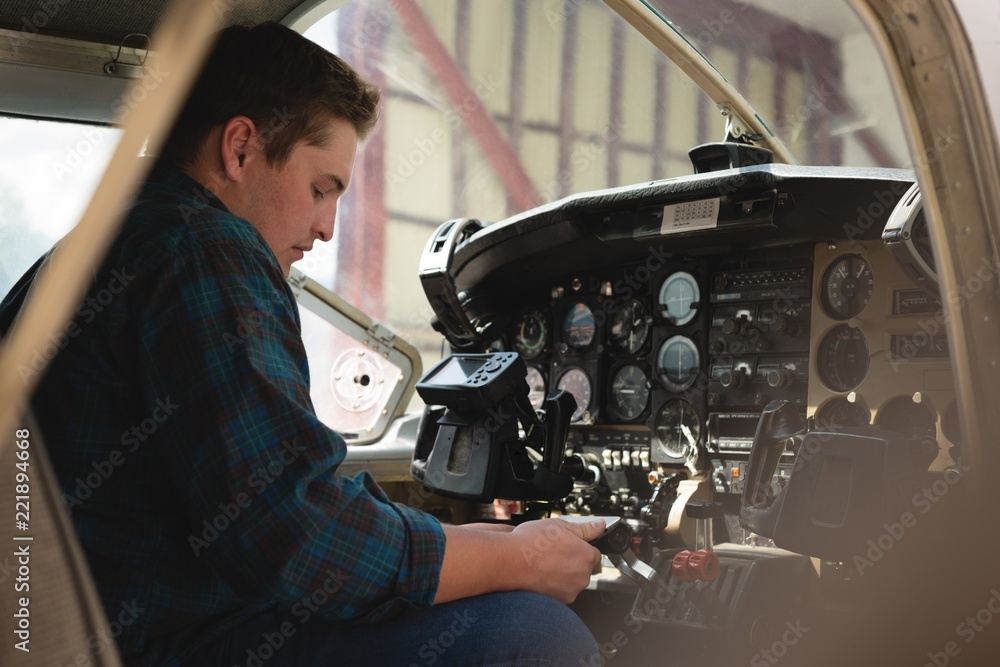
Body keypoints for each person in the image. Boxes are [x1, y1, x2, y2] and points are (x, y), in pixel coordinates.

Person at [0, 22, 605, 667]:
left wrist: (468, 547)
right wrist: (514, 555)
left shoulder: (89, 251)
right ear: (239, 149)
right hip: (157, 645)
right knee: (534, 634)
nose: (326, 227)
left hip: (84, 633)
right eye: (322, 188)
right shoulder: (205, 248)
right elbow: (293, 537)